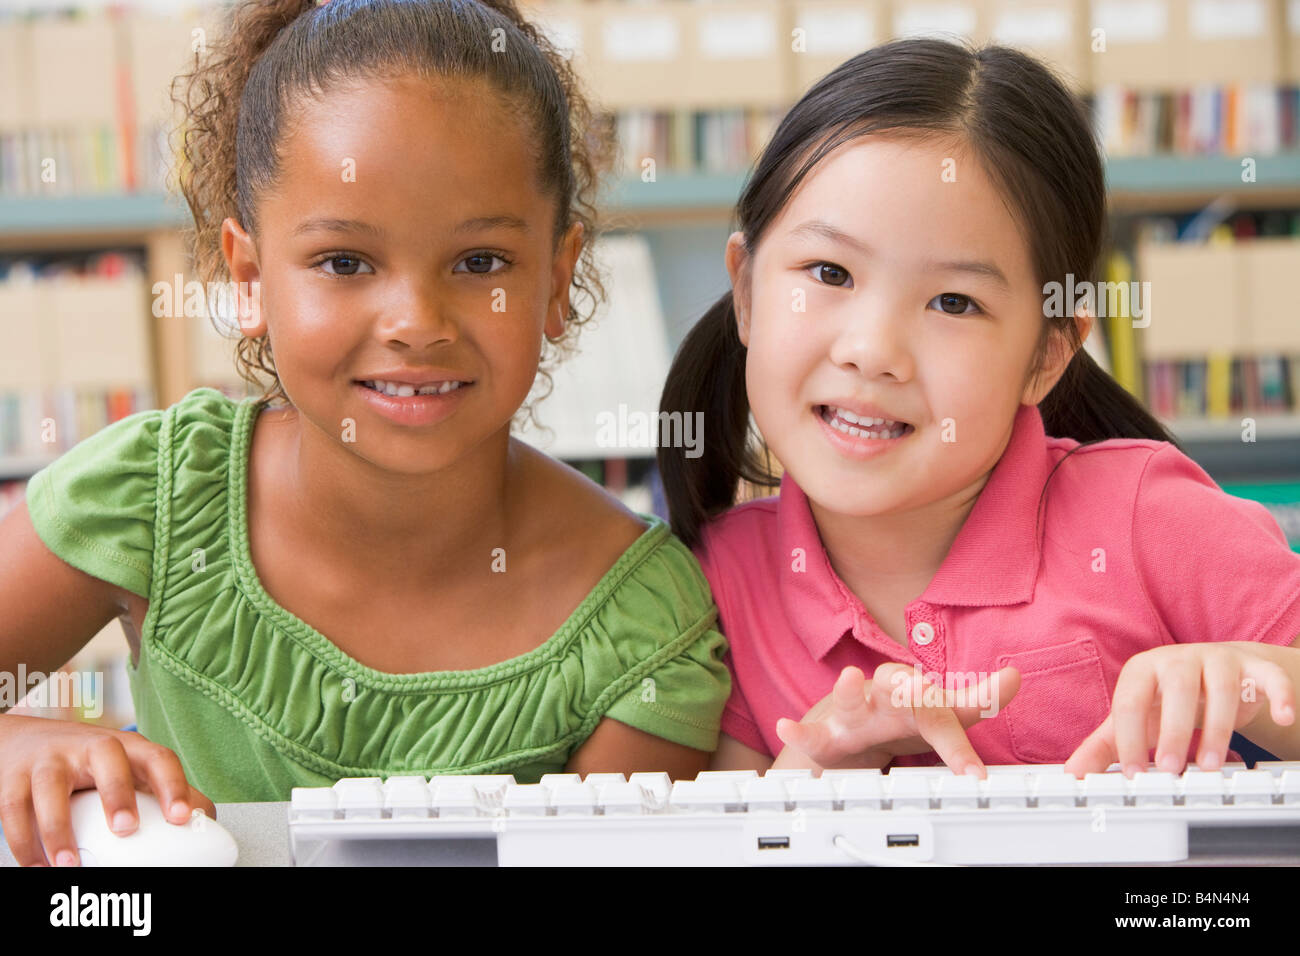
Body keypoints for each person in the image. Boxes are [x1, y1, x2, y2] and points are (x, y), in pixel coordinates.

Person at [0, 0, 729, 867]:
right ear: (249, 279)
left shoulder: (642, 629)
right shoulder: (153, 495)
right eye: (345, 263)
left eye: (480, 262)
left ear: (558, 280)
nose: (416, 323)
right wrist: (16, 748)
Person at [657, 38, 1300, 778]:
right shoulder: (716, 583)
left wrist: (1249, 679)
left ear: (1047, 355)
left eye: (954, 302)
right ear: (746, 292)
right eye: (829, 272)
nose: (873, 351)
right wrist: (816, 770)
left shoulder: (1146, 516)